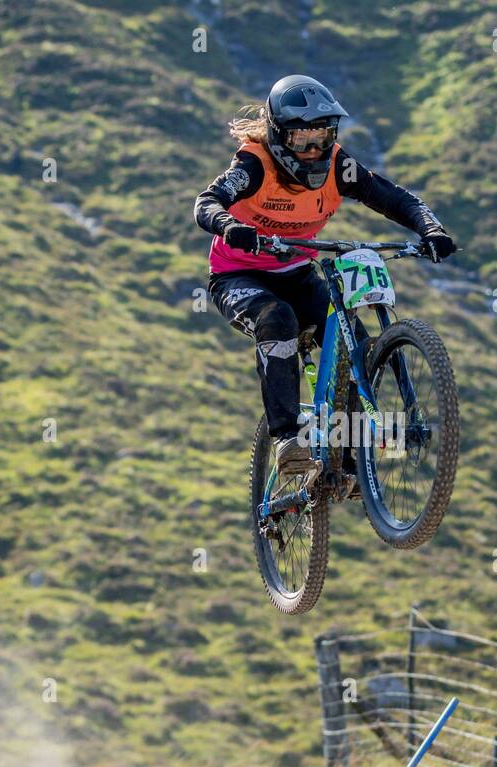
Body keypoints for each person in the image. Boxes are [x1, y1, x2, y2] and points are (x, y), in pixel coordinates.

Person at [195, 74, 456, 474]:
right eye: (303, 140)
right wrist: (230, 226)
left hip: (298, 273)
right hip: (239, 277)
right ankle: (286, 438)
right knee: (276, 319)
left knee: (359, 350)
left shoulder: (338, 166)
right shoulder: (254, 165)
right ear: (280, 136)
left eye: (325, 136)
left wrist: (431, 229)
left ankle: (347, 464)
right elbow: (207, 203)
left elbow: (395, 198)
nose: (316, 150)